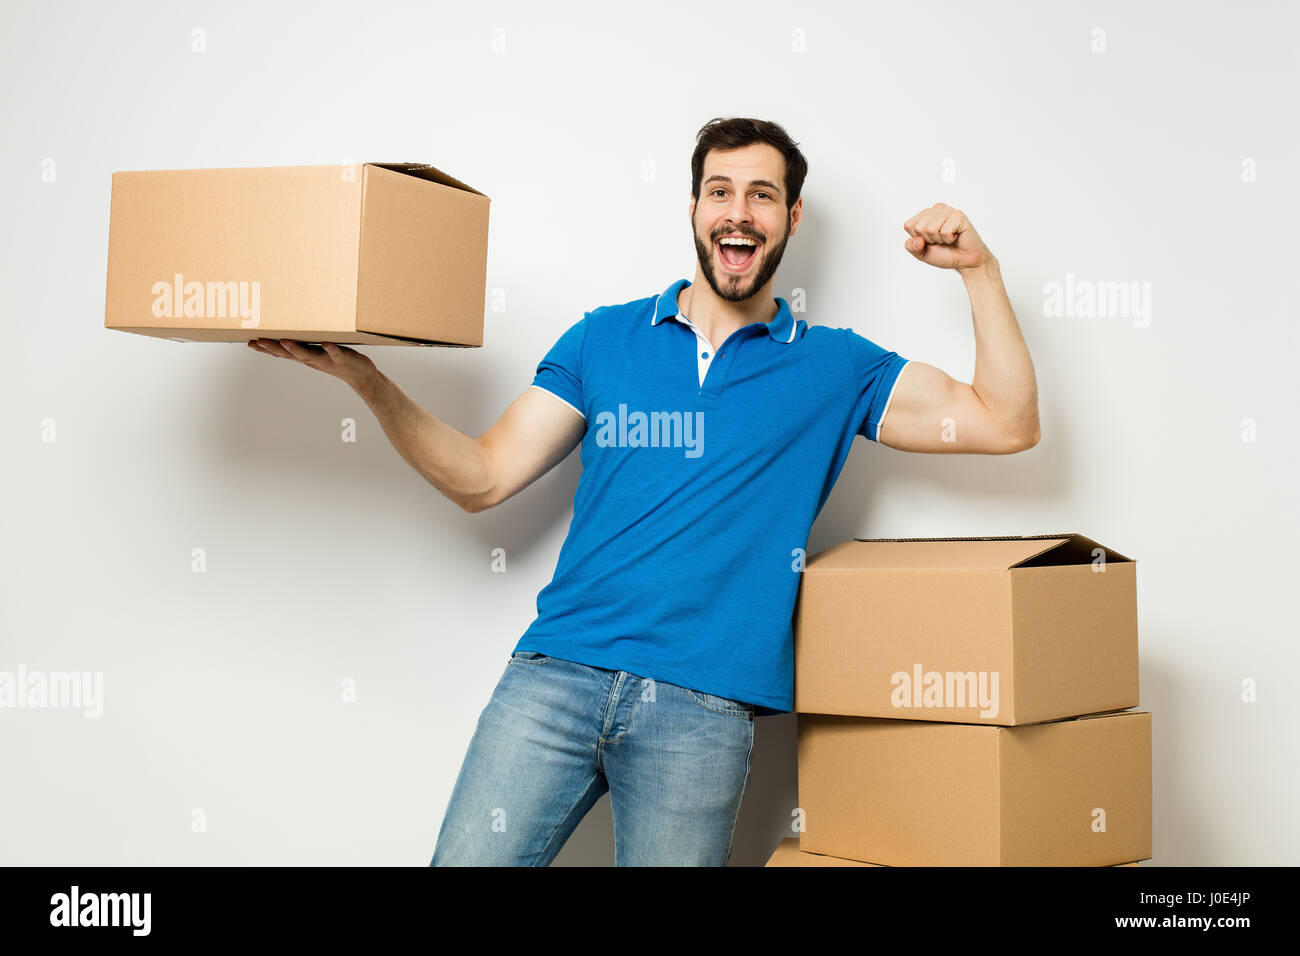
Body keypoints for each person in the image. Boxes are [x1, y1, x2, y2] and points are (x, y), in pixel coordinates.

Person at [248, 117, 1040, 866]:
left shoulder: (836, 367)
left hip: (703, 709)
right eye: (721, 190)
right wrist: (367, 380)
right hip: (554, 678)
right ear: (694, 209)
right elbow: (480, 478)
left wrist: (981, 271)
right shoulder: (603, 337)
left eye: (762, 194)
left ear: (792, 218)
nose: (740, 211)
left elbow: (1006, 421)